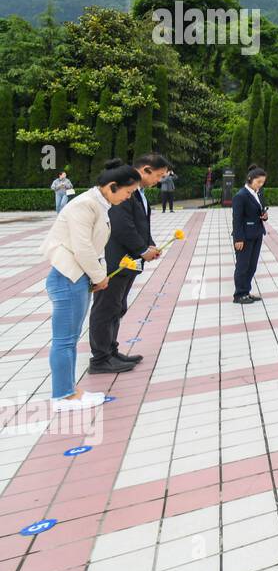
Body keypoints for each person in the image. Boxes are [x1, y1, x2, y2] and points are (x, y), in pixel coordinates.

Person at [40, 159, 142, 411]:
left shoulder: (99, 204)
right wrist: (100, 277)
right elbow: (83, 247)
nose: (129, 198)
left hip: (76, 276)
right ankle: (63, 396)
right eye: (128, 192)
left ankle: (68, 391)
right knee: (64, 340)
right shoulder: (85, 205)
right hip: (68, 277)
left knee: (70, 339)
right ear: (112, 186)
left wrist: (96, 275)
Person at [88, 152, 169, 374]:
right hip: (115, 261)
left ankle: (111, 351)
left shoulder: (137, 192)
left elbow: (140, 224)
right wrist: (142, 250)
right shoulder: (122, 191)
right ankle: (100, 359)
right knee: (106, 308)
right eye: (158, 176)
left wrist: (149, 246)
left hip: (129, 261)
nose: (159, 181)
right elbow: (122, 226)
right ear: (145, 170)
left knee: (117, 307)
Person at [232, 166, 268, 304]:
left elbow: (258, 211)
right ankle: (239, 295)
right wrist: (238, 238)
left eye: (262, 182)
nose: (260, 185)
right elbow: (237, 219)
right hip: (245, 237)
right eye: (258, 182)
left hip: (257, 233)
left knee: (252, 265)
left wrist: (264, 216)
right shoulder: (240, 196)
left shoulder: (257, 193)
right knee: (243, 265)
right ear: (250, 179)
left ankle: (246, 291)